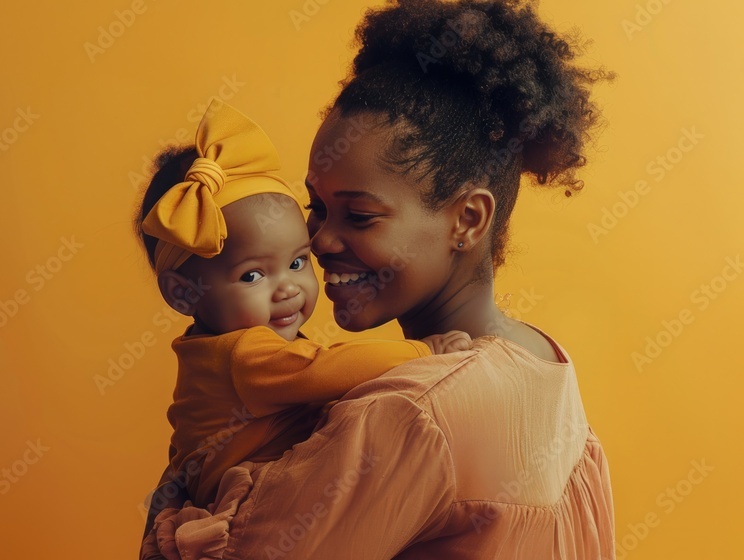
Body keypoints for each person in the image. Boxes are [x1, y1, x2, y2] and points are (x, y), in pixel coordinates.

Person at [140, 0, 616, 558]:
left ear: (467, 219)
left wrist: (168, 510)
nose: (317, 242)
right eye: (314, 206)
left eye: (359, 216)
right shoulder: (547, 364)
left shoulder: (407, 413)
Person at [135, 99, 472, 517]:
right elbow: (325, 368)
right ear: (182, 293)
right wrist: (426, 352)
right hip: (243, 509)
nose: (288, 289)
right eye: (252, 276)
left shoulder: (209, 349)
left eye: (297, 263)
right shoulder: (244, 355)